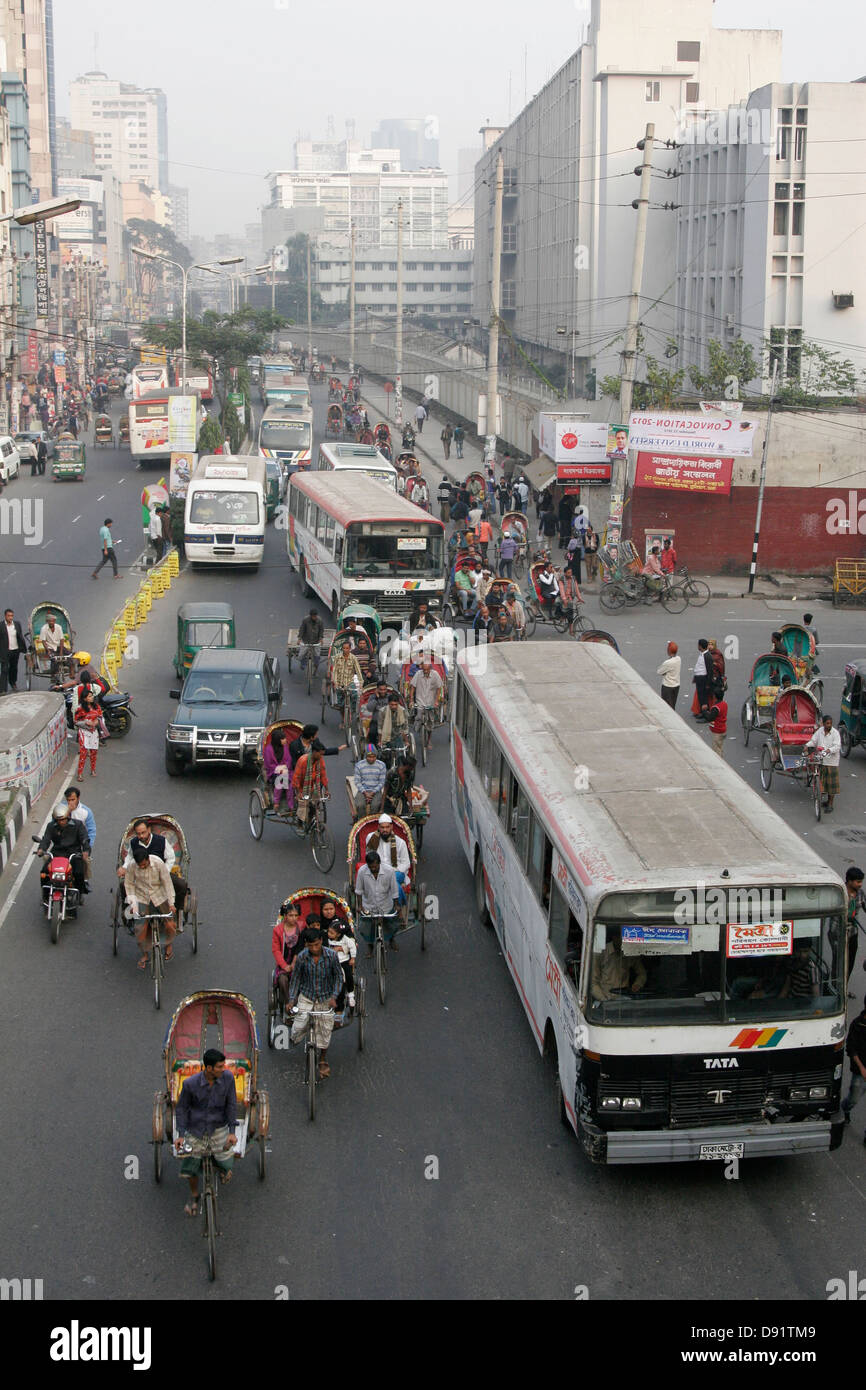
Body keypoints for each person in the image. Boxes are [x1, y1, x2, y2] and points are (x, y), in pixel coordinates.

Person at [175, 1048, 238, 1215]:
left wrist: (232, 1131)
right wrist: (181, 1135)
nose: (223, 1069)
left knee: (225, 1162)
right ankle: (194, 1195)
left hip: (218, 1127)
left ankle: (222, 1169)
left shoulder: (228, 1079)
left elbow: (231, 1105)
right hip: (196, 1129)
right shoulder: (190, 1084)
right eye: (219, 1066)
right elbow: (182, 1109)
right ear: (209, 1068)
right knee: (190, 1166)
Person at [288, 927, 343, 1077]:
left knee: (325, 1031)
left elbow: (338, 977)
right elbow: (295, 980)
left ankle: (323, 1059)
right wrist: (292, 1000)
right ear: (306, 944)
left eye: (317, 945)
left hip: (326, 998)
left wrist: (334, 996)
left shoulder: (332, 956)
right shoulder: (301, 957)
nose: (314, 948)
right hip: (307, 996)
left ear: (321, 942)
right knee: (298, 1028)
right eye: (311, 946)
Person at [125, 842, 176, 970]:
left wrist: (171, 903)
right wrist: (132, 902)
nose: (142, 867)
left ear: (148, 859)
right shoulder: (132, 866)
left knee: (169, 923)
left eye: (144, 864)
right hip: (141, 897)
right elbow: (129, 884)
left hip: (159, 895)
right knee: (140, 927)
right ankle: (144, 954)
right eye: (140, 865)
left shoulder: (158, 863)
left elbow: (167, 883)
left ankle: (169, 944)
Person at [37, 802, 89, 899]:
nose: (61, 822)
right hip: (57, 854)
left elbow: (84, 839)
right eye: (59, 820)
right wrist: (41, 849)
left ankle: (79, 894)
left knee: (79, 872)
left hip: (74, 854)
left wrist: (85, 850)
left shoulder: (78, 825)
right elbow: (46, 839)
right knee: (44, 872)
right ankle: (45, 897)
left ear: (68, 817)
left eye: (63, 819)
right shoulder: (51, 826)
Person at [368, 813, 412, 923]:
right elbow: (369, 857)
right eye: (382, 827)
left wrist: (392, 871)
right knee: (393, 884)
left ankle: (398, 908)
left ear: (391, 827)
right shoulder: (371, 838)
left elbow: (406, 863)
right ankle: (397, 909)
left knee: (392, 880)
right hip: (377, 872)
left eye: (387, 827)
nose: (385, 830)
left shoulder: (400, 842)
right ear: (378, 827)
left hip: (396, 871)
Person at [355, 849, 400, 951]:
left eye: (375, 866)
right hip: (369, 906)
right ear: (367, 865)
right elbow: (358, 891)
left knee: (392, 925)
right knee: (365, 928)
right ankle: (370, 945)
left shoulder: (389, 871)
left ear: (379, 863)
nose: (373, 869)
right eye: (371, 867)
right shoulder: (362, 871)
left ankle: (391, 940)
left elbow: (394, 890)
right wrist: (360, 906)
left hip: (386, 905)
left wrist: (396, 905)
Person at [591, 932, 647, 1001]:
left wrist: (637, 984)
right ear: (614, 937)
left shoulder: (630, 952)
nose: (623, 941)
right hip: (605, 999)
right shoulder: (600, 952)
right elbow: (592, 982)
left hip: (625, 999)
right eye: (621, 938)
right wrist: (604, 1000)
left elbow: (642, 973)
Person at [806, 714, 842, 813]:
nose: (829, 725)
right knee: (823, 783)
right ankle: (825, 801)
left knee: (831, 785)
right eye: (827, 723)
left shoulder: (835, 733)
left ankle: (830, 804)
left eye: (830, 723)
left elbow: (837, 746)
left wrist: (829, 750)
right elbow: (813, 741)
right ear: (824, 723)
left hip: (831, 762)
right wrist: (807, 745)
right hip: (821, 760)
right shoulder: (820, 732)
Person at [272, 900, 304, 1009]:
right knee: (282, 979)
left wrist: (295, 963)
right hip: (284, 962)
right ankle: (288, 1003)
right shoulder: (278, 930)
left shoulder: (301, 927)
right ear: (285, 916)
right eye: (290, 915)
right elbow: (276, 950)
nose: (293, 918)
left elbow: (302, 947)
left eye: (296, 915)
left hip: (299, 961)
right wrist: (284, 965)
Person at [842, 1003, 866, 1137]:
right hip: (860, 1071)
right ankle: (844, 1109)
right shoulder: (857, 1025)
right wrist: (862, 1068)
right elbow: (851, 1049)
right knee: (853, 1099)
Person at [325, 913, 357, 1011]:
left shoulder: (345, 939)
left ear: (338, 934)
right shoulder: (327, 940)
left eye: (332, 933)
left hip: (343, 961)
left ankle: (351, 993)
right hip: (331, 962)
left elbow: (352, 947)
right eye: (329, 932)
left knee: (348, 975)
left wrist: (352, 958)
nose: (329, 934)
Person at [74, 689, 108, 777]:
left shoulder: (96, 706)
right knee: (83, 753)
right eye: (89, 696)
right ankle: (80, 774)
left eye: (92, 695)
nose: (92, 697)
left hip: (94, 732)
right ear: (85, 699)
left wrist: (94, 723)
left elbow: (100, 717)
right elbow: (76, 721)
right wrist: (86, 722)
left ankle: (93, 770)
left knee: (94, 753)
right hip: (84, 732)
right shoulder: (80, 708)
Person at [64, 786, 96, 880]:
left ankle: (83, 882)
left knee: (83, 865)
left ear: (78, 798)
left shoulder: (86, 812)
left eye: (72, 800)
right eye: (68, 800)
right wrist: (68, 811)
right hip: (63, 842)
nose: (70, 803)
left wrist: (87, 847)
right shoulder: (61, 809)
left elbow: (91, 831)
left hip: (79, 844)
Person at [292, 747, 329, 823]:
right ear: (314, 752)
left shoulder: (320, 760)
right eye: (319, 754)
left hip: (313, 786)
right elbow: (296, 778)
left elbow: (323, 775)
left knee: (315, 802)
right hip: (302, 787)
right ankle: (300, 823)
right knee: (304, 804)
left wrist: (327, 790)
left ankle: (311, 817)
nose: (321, 756)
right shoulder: (303, 761)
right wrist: (299, 793)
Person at [331, 640, 364, 721]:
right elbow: (334, 671)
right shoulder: (337, 657)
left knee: (355, 695)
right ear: (342, 649)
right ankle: (343, 718)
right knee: (340, 704)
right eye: (344, 648)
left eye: (347, 648)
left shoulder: (353, 658)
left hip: (349, 682)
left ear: (350, 649)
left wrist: (361, 683)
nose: (345, 650)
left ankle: (352, 711)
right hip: (339, 683)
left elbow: (358, 671)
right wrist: (335, 683)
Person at [353, 744, 387, 817]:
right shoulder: (359, 765)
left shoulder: (382, 765)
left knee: (375, 806)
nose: (371, 759)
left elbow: (382, 782)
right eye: (369, 757)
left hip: (376, 791)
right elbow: (357, 781)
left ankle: (372, 823)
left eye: (373, 757)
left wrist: (373, 792)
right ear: (366, 756)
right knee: (360, 805)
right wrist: (365, 793)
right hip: (363, 790)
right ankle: (361, 821)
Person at [263, 729, 293, 812]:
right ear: (277, 740)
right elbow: (269, 764)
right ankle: (276, 802)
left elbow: (288, 760)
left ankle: (291, 804)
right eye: (282, 739)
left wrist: (284, 768)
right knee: (281, 779)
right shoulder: (268, 750)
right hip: (273, 772)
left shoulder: (285, 747)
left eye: (285, 738)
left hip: (286, 771)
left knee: (292, 783)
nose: (285, 740)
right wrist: (280, 770)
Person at [0, 608, 27, 694]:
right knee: (4, 669)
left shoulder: (17, 624)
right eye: (9, 616)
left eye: (12, 616)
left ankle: (13, 682)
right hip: (5, 651)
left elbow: (20, 636)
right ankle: (3, 689)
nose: (10, 618)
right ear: (5, 616)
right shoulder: (1, 626)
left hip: (15, 650)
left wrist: (22, 648)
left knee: (13, 668)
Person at [845, 867, 865, 981]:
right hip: (838, 933)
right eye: (858, 882)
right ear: (849, 881)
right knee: (839, 962)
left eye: (861, 881)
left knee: (850, 961)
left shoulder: (860, 893)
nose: (860, 884)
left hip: (853, 932)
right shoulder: (840, 892)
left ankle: (845, 987)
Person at [410, 656, 443, 724]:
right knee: (419, 718)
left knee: (431, 720)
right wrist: (411, 700)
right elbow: (413, 687)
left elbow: (439, 687)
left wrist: (436, 701)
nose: (425, 671)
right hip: (420, 700)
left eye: (427, 670)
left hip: (431, 701)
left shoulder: (435, 674)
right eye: (424, 670)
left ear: (430, 668)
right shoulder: (418, 674)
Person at [363, 680, 392, 745]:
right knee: (372, 733)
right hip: (376, 721)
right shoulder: (373, 697)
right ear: (377, 689)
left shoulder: (390, 697)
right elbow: (369, 708)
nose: (383, 691)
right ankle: (373, 751)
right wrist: (376, 698)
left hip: (389, 721)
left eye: (384, 689)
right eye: (381, 690)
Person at [297, 608, 324, 675]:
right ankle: (303, 664)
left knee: (317, 655)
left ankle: (316, 666)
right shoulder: (305, 620)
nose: (314, 617)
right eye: (313, 616)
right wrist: (299, 638)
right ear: (310, 616)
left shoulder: (320, 621)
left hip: (316, 641)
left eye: (315, 616)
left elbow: (321, 630)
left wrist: (321, 638)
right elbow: (302, 629)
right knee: (301, 655)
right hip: (306, 640)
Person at [657, 641, 681, 709]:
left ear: (668, 650)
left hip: (668, 686)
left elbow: (659, 671)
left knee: (667, 706)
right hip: (676, 685)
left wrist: (665, 672)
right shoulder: (679, 659)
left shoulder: (667, 662)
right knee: (673, 704)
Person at [705, 693, 728, 759]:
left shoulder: (716, 708)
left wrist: (704, 711)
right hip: (723, 729)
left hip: (717, 731)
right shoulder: (724, 704)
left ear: (715, 696)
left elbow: (710, 718)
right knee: (719, 747)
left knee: (716, 751)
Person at [692, 639, 710, 717]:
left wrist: (708, 683)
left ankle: (705, 715)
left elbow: (710, 671)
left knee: (704, 698)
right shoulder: (701, 654)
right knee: (700, 697)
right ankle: (702, 713)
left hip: (703, 679)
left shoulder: (707, 656)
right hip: (699, 678)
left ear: (700, 646)